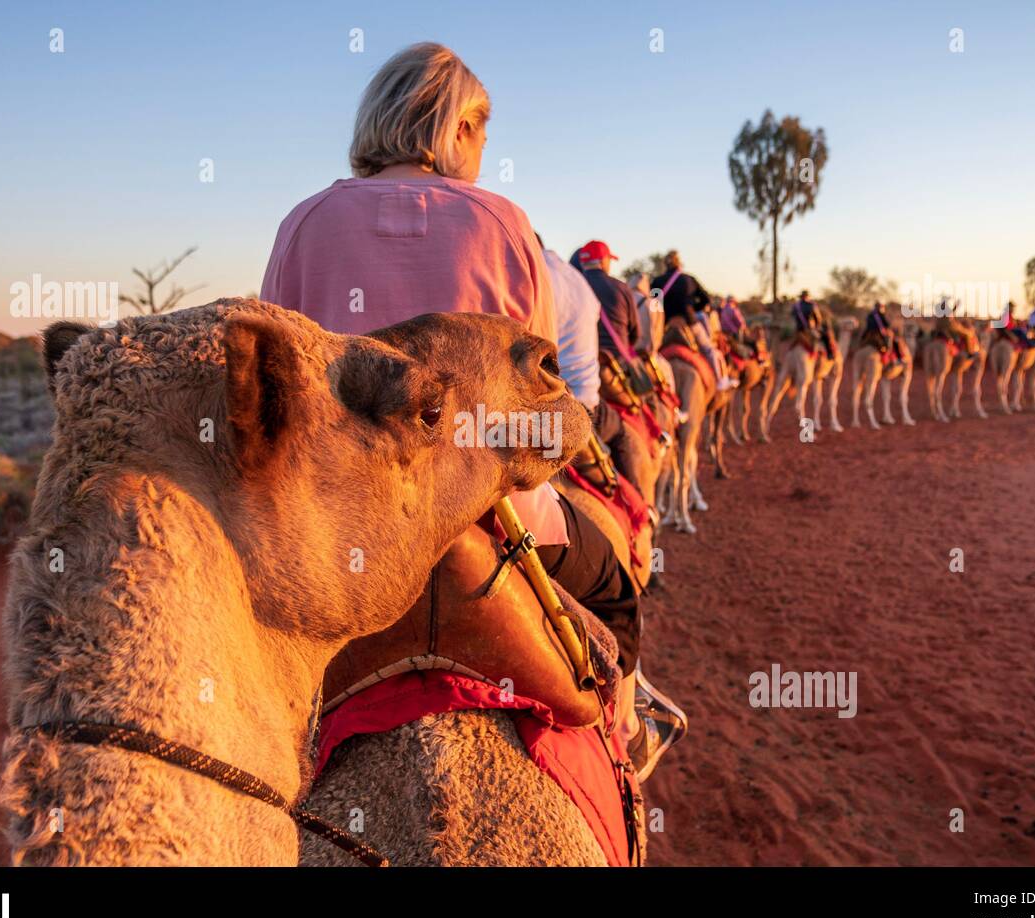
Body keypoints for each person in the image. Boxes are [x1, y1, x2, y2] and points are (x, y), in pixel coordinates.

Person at [259, 43, 642, 693]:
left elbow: (274, 395)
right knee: (618, 596)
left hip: (336, 527)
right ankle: (629, 728)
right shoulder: (506, 223)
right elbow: (541, 415)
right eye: (483, 133)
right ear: (460, 127)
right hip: (492, 514)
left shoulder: (303, 223)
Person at [536, 233, 621, 444]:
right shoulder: (611, 287)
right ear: (604, 261)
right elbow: (639, 336)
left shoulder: (537, 275)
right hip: (590, 382)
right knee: (625, 433)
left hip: (561, 388)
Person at [653, 250, 734, 388]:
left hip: (665, 326)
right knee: (709, 350)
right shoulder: (689, 279)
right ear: (679, 264)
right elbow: (706, 299)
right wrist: (692, 308)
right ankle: (721, 381)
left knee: (651, 352)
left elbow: (653, 305)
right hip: (688, 322)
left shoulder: (657, 281)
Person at [718, 294, 755, 361]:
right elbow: (740, 323)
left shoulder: (723, 310)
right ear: (733, 301)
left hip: (724, 332)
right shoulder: (733, 310)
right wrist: (744, 327)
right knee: (743, 345)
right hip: (734, 333)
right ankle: (746, 359)